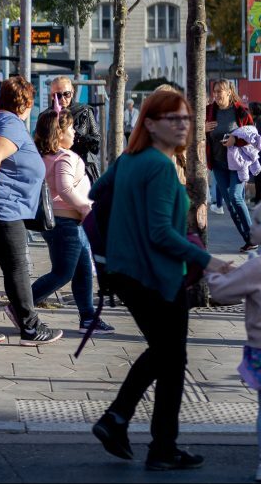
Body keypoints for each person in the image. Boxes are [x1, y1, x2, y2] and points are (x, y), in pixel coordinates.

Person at [90, 88, 233, 471]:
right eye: (174, 118)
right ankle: (159, 446)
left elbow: (95, 192)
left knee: (165, 354)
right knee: (171, 356)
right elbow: (160, 234)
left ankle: (120, 421)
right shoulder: (158, 167)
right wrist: (210, 261)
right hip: (156, 276)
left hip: (125, 273)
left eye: (186, 117)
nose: (183, 124)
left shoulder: (130, 160)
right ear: (150, 124)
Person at [0, 76, 62, 346]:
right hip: (3, 208)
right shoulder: (13, 125)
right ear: (25, 104)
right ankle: (30, 328)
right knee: (17, 267)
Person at [30, 110, 114, 334]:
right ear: (58, 133)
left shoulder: (47, 155)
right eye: (70, 129)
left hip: (67, 222)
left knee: (83, 271)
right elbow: (65, 187)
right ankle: (22, 304)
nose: (75, 132)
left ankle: (88, 317)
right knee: (63, 272)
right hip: (68, 222)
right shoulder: (65, 156)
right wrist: (86, 209)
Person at [206, 203, 261, 481]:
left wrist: (212, 273)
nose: (252, 227)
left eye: (258, 223)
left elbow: (223, 293)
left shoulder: (256, 268)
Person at [205, 79, 257, 252]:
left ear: (229, 92)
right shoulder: (209, 111)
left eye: (221, 91)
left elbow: (254, 136)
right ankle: (249, 240)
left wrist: (236, 139)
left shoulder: (240, 112)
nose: (217, 95)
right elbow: (195, 133)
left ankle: (253, 236)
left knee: (236, 197)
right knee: (230, 205)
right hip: (219, 165)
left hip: (238, 164)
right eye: (215, 91)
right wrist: (202, 128)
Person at [49, 76, 101, 178]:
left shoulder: (84, 111)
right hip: (55, 166)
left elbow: (96, 142)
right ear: (52, 95)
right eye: (58, 95)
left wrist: (77, 136)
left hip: (82, 167)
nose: (63, 99)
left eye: (66, 94)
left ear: (72, 92)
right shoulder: (47, 116)